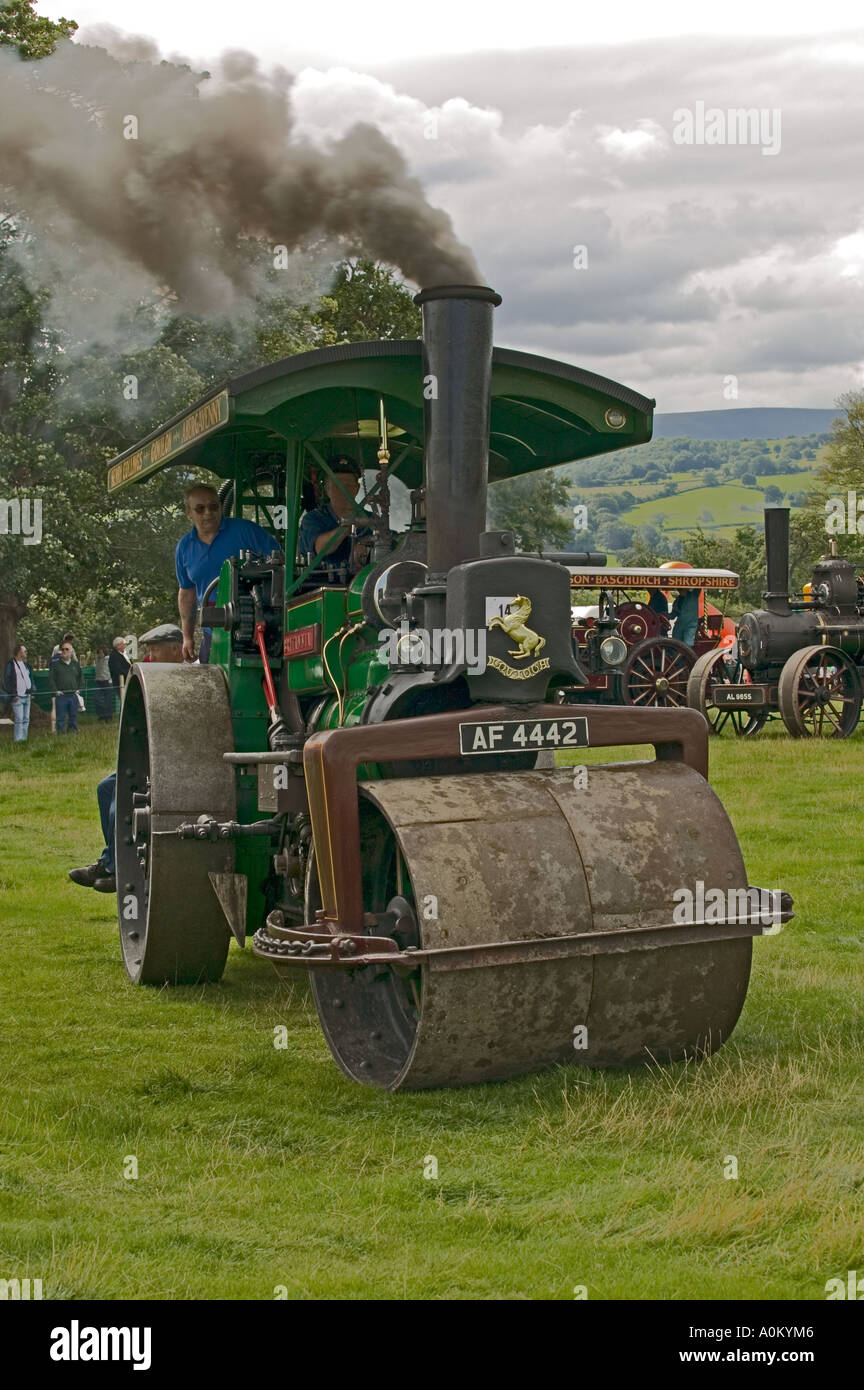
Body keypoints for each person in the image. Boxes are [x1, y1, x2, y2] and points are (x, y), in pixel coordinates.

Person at [68, 624, 184, 894]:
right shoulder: (157, 678)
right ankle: (110, 860)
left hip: (171, 760)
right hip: (149, 754)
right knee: (105, 787)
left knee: (119, 800)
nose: (151, 657)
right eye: (150, 651)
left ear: (176, 649)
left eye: (156, 650)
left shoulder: (186, 678)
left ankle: (113, 867)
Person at [176, 483, 280, 664]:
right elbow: (187, 593)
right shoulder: (184, 547)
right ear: (189, 513)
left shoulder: (246, 531)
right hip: (213, 633)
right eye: (200, 509)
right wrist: (187, 637)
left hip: (255, 627)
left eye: (213, 506)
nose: (208, 513)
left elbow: (281, 563)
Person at [298, 455, 372, 577]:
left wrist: (367, 548)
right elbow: (321, 547)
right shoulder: (313, 519)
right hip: (321, 589)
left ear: (357, 489)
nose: (344, 491)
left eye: (348, 486)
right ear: (327, 489)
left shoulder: (370, 520)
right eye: (338, 486)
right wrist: (349, 526)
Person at [3, 642, 34, 743]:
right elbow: (6, 681)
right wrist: (13, 694)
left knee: (26, 718)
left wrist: (31, 691)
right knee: (19, 719)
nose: (26, 653)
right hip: (17, 697)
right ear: (19, 653)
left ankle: (24, 739)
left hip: (27, 696)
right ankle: (18, 740)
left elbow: (30, 679)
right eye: (24, 651)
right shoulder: (11, 665)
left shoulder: (26, 665)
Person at [50, 640, 82, 733]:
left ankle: (73, 732)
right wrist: (55, 690)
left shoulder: (75, 664)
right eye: (62, 649)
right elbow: (51, 679)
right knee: (61, 716)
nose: (64, 651)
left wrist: (79, 689)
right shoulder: (56, 665)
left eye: (66, 649)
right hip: (61, 695)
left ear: (71, 651)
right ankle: (60, 734)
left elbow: (81, 678)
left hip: (73, 695)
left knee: (73, 715)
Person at [108, 636, 131, 706]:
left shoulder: (124, 654)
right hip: (121, 683)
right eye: (123, 644)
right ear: (118, 646)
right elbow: (118, 670)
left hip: (127, 682)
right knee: (125, 702)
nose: (125, 645)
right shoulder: (114, 656)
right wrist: (130, 672)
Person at [93, 644, 113, 721]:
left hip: (107, 681)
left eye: (101, 652)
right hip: (98, 682)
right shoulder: (98, 660)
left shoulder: (109, 659)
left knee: (108, 700)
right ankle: (101, 715)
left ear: (105, 652)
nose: (100, 654)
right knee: (96, 698)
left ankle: (108, 717)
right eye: (98, 653)